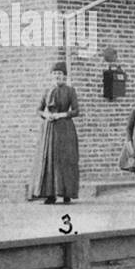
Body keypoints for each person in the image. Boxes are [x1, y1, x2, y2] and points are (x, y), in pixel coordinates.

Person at [32, 61, 80, 205]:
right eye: (55, 74)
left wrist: (61, 115)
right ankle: (50, 194)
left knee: (66, 159)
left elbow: (76, 111)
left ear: (64, 76)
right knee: (50, 160)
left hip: (65, 129)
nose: (57, 76)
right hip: (49, 129)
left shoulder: (70, 91)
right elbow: (39, 109)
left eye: (60, 74)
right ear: (51, 76)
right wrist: (46, 115)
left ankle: (67, 193)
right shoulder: (47, 91)